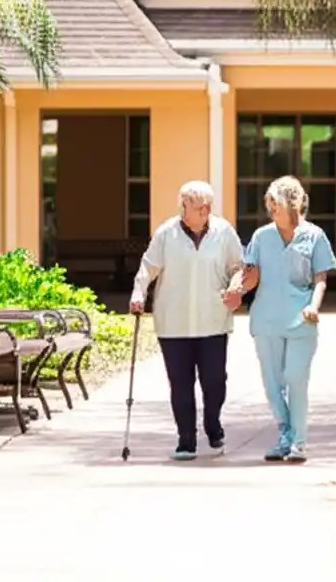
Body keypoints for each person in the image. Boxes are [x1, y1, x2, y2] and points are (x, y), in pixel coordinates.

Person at [130, 180, 245, 461]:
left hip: (213, 321)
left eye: (208, 206)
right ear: (184, 206)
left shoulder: (224, 232)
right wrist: (138, 293)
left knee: (215, 381)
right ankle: (186, 439)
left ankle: (213, 426)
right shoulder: (166, 233)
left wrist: (235, 287)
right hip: (174, 323)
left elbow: (239, 266)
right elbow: (148, 267)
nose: (206, 211)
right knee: (180, 385)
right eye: (199, 206)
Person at [227, 175, 336, 463]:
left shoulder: (314, 236)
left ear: (294, 204)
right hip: (266, 319)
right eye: (270, 207)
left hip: (302, 319)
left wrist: (314, 306)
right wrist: (236, 288)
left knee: (296, 378)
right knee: (273, 383)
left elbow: (321, 279)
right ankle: (285, 433)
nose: (272, 212)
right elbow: (250, 272)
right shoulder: (262, 237)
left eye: (276, 206)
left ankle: (298, 441)